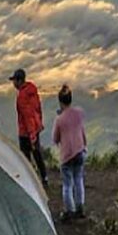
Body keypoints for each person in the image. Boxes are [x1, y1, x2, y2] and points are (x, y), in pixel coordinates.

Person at [52, 85, 87, 221]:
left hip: (67, 155)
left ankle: (69, 211)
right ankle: (80, 208)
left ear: (60, 102)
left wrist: (60, 115)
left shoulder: (59, 120)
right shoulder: (79, 113)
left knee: (67, 184)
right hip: (80, 150)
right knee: (79, 179)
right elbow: (81, 127)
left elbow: (55, 139)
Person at [10, 68, 48, 187]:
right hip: (34, 129)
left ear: (19, 81)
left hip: (26, 132)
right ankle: (44, 177)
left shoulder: (22, 96)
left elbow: (27, 116)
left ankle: (29, 183)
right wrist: (37, 127)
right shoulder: (33, 92)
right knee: (37, 154)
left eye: (14, 80)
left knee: (25, 159)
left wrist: (31, 134)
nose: (13, 83)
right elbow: (37, 111)